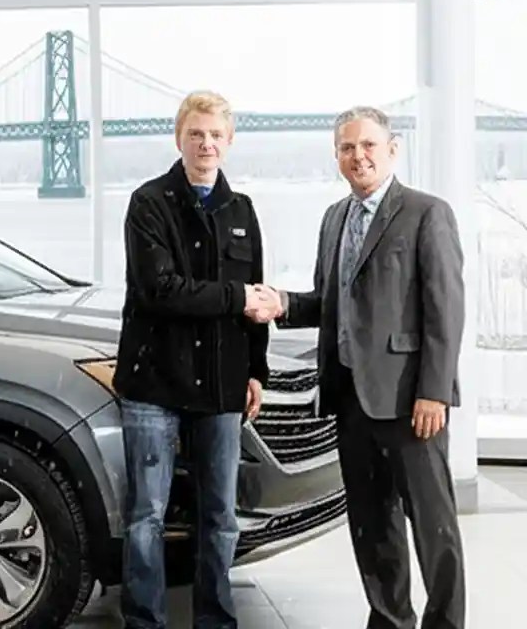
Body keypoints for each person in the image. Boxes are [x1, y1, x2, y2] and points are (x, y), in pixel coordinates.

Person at [264, 105, 466, 629]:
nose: (359, 156)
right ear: (337, 156)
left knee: (433, 525)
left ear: (391, 149)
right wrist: (282, 303)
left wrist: (435, 391)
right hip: (351, 396)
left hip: (409, 400)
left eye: (368, 145)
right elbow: (330, 302)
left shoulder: (428, 213)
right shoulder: (334, 219)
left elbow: (446, 308)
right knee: (372, 523)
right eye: (348, 148)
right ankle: (389, 618)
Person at [113, 90, 275, 629]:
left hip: (224, 384)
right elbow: (159, 289)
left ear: (229, 142)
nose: (206, 144)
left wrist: (257, 370)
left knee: (221, 517)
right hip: (154, 382)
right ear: (179, 138)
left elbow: (255, 301)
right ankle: (144, 621)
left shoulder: (242, 211)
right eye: (196, 134)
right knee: (145, 516)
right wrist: (234, 299)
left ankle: (216, 621)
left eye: (216, 135)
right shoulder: (148, 203)